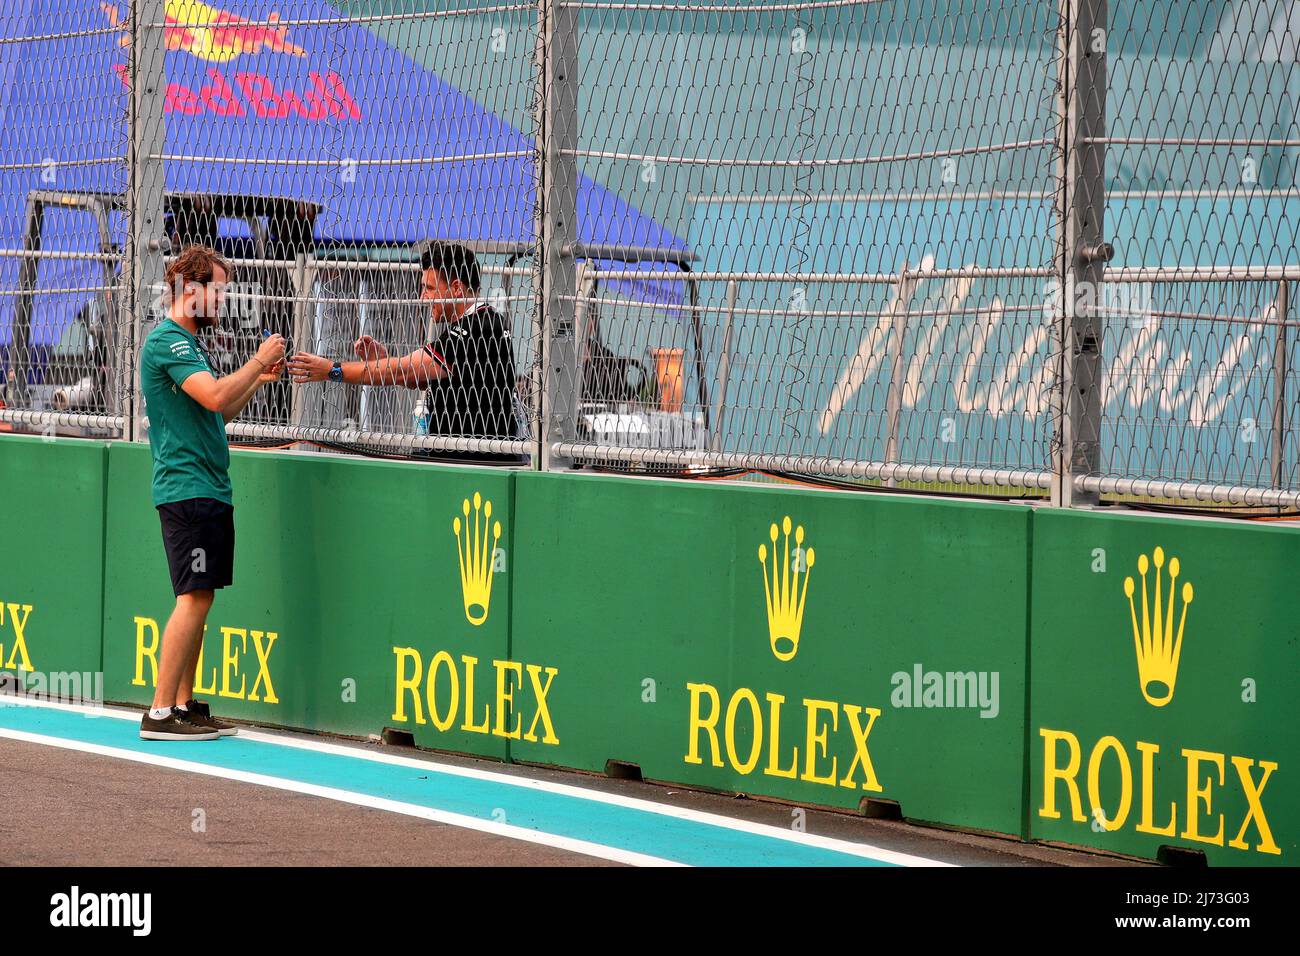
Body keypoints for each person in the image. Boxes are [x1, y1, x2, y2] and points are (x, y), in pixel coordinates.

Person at [137, 244, 285, 741]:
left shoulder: (192, 346)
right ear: (191, 290)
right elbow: (217, 394)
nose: (223, 301)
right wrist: (257, 359)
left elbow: (219, 412)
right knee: (193, 596)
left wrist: (259, 378)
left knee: (202, 596)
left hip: (209, 488)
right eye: (217, 291)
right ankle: (158, 712)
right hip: (187, 487)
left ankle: (184, 705)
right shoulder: (169, 342)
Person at [286, 241, 523, 463]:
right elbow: (418, 377)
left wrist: (331, 369)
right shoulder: (486, 320)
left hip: (474, 460)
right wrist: (381, 362)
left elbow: (404, 371)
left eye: (429, 288)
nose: (423, 297)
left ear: (457, 288)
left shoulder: (475, 327)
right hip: (468, 455)